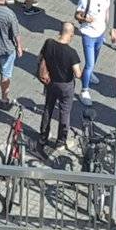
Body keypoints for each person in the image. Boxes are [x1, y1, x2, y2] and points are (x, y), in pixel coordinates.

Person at [36, 21, 81, 151]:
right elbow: (78, 74)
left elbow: (39, 57)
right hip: (66, 86)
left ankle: (43, 136)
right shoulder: (72, 52)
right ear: (71, 35)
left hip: (50, 82)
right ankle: (61, 141)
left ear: (60, 31)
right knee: (64, 112)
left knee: (48, 109)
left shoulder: (49, 43)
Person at [75, 0, 109, 104]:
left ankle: (90, 74)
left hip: (100, 33)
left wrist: (107, 24)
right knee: (89, 63)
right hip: (88, 34)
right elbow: (77, 15)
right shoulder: (86, 0)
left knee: (94, 58)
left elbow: (106, 10)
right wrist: (85, 19)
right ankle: (84, 90)